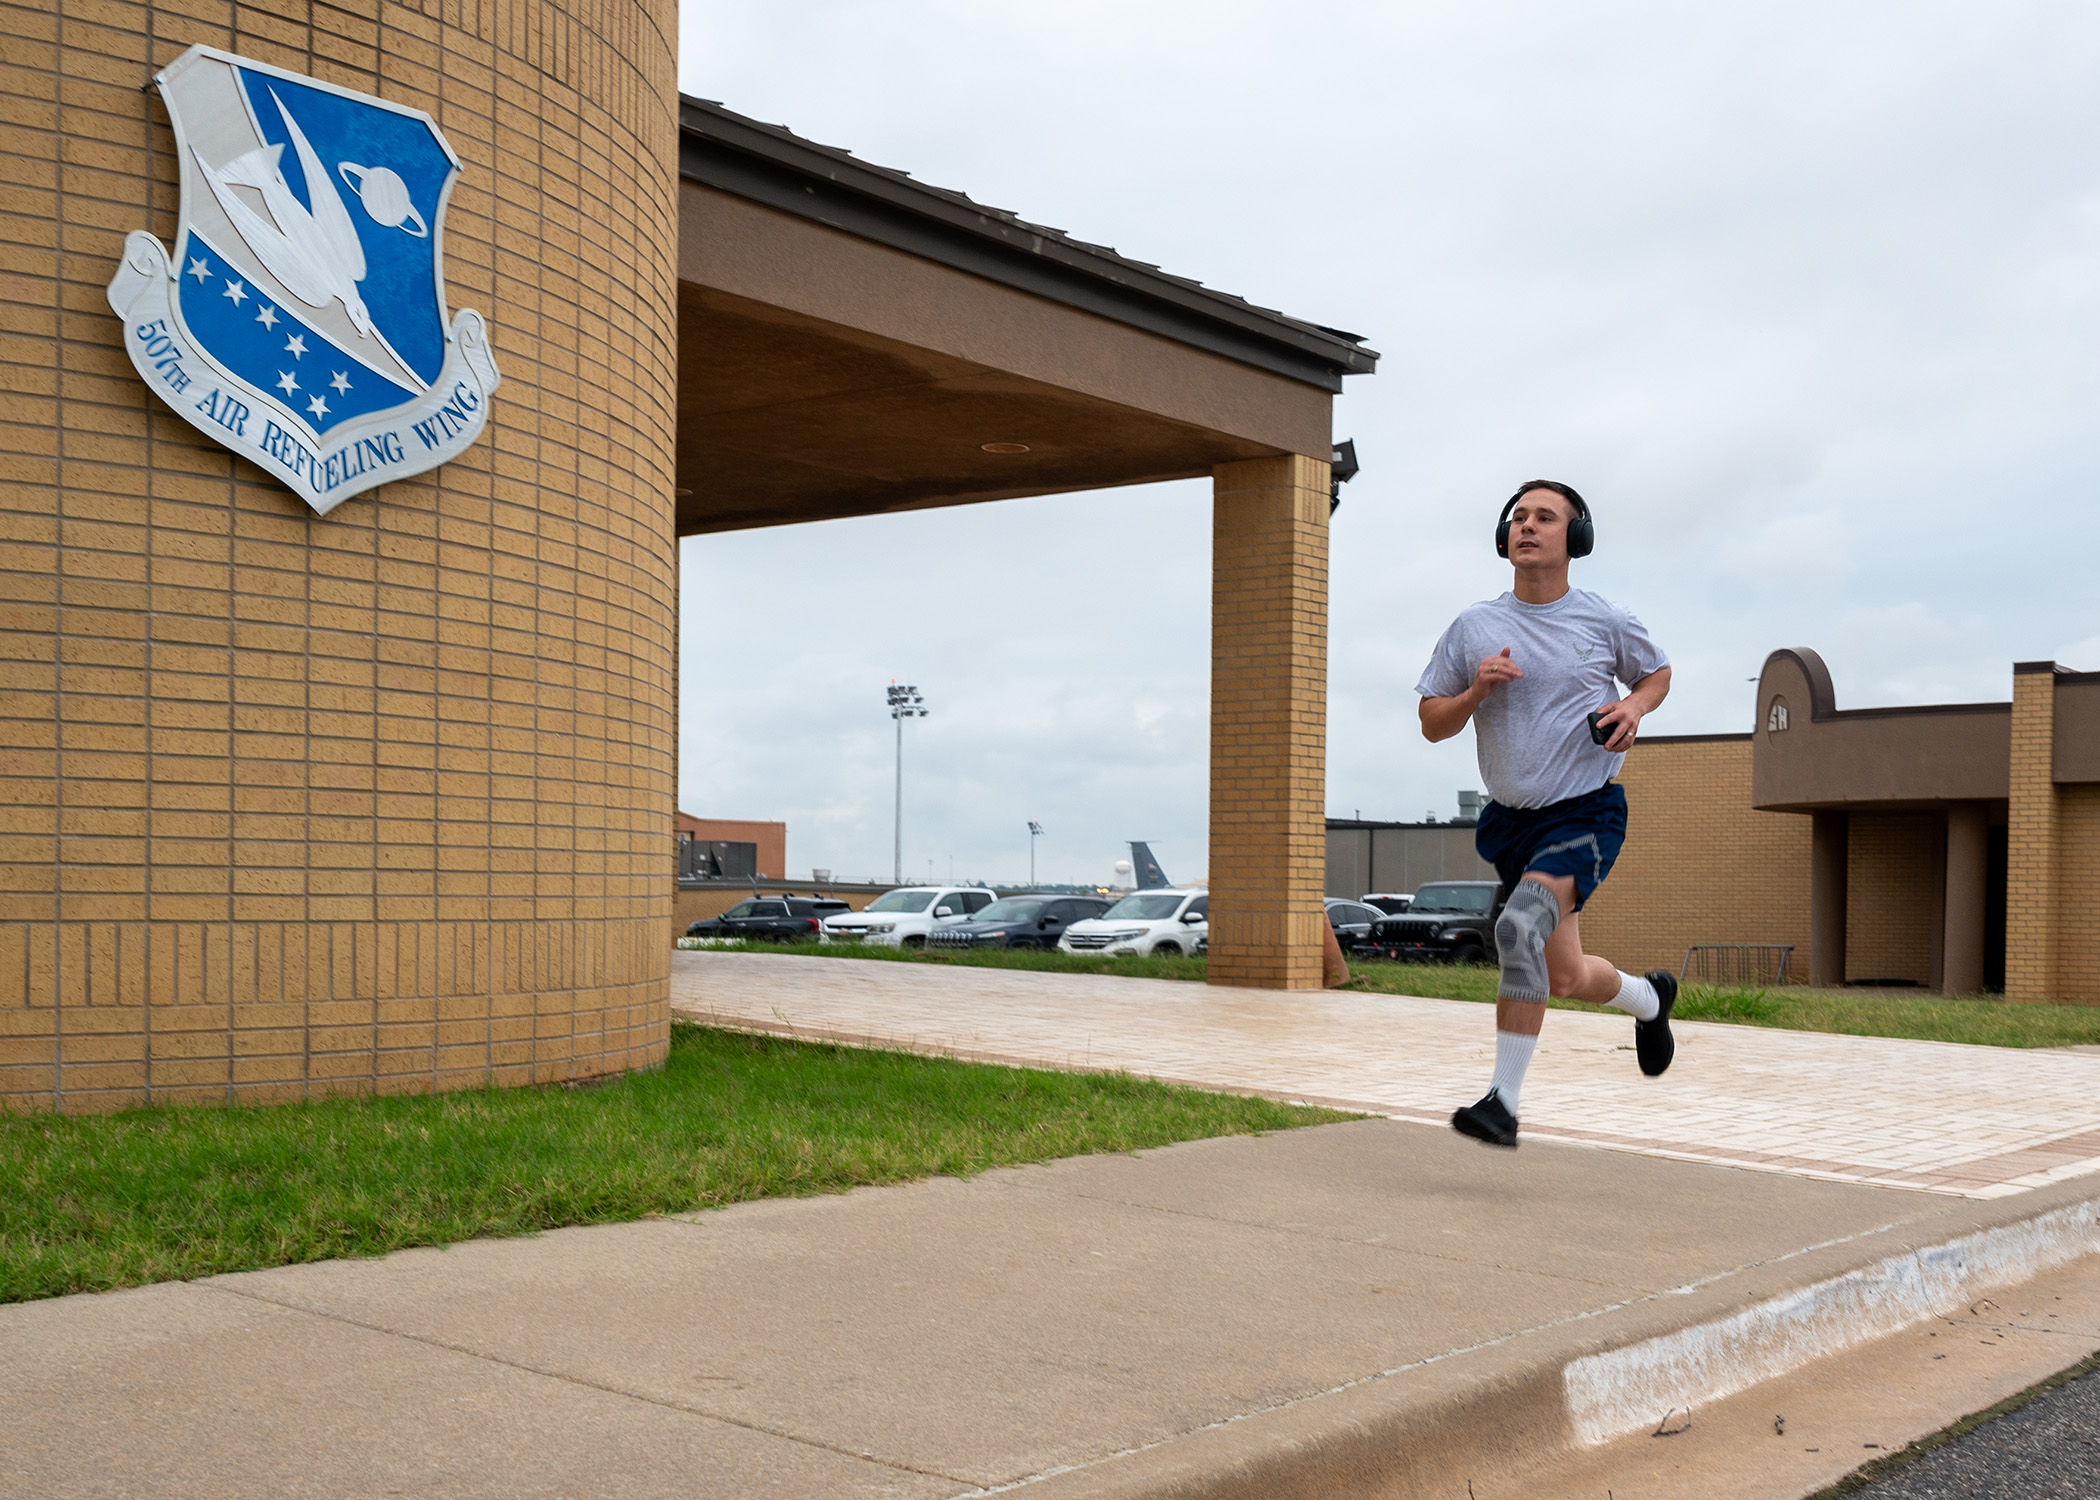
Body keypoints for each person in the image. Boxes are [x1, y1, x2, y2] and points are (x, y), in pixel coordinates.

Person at [1415, 481, 1677, 1148]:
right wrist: (1476, 689)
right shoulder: (1473, 627)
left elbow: (1657, 673)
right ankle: (1650, 999)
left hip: (1586, 811)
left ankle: (1502, 1103)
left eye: (1545, 517)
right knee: (1564, 975)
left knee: (1518, 925)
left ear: (1575, 538)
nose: (1527, 526)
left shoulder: (1604, 619)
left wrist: (1634, 708)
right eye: (1519, 517)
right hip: (1513, 822)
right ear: (1504, 537)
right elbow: (1431, 725)